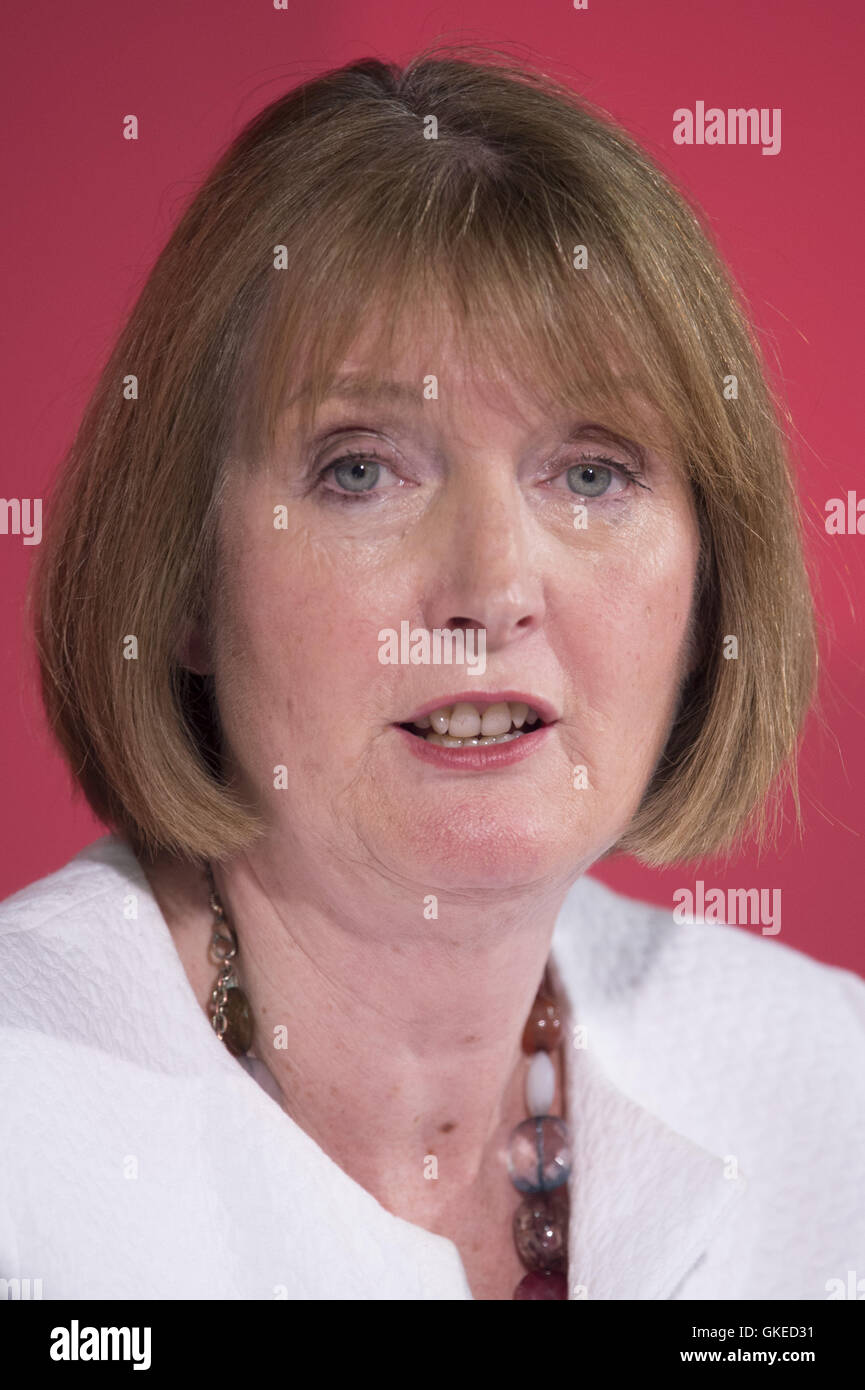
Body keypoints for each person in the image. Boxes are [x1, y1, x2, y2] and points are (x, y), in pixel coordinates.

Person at [2, 47, 862, 1301]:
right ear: (182, 579)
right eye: (360, 469)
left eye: (591, 473)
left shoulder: (833, 1090)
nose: (492, 586)